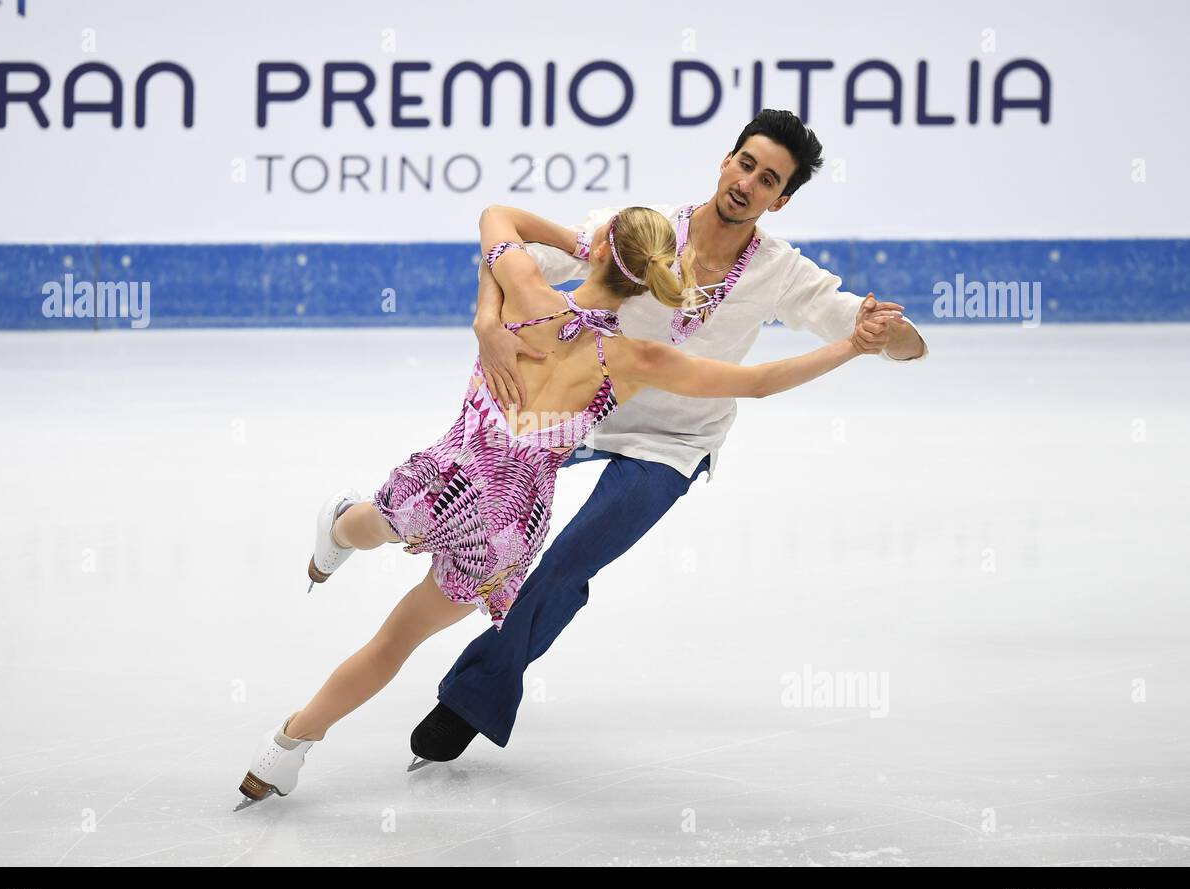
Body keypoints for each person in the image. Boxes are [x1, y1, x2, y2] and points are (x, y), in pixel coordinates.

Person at [235, 202, 893, 806]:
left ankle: (341, 530)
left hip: (444, 477)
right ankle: (286, 747)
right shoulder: (636, 358)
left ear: (602, 248)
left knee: (369, 525)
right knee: (394, 642)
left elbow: (496, 216)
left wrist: (535, 276)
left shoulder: (525, 294)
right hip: (505, 530)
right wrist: (852, 345)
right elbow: (757, 383)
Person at [409, 108, 930, 767]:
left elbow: (886, 337)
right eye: (745, 163)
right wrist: (489, 319)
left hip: (671, 448)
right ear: (725, 161)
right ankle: (373, 530)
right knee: (464, 489)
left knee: (567, 565)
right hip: (584, 410)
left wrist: (890, 335)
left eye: (768, 179)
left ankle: (469, 700)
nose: (748, 182)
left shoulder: (782, 272)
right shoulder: (644, 228)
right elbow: (512, 252)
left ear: (782, 198)